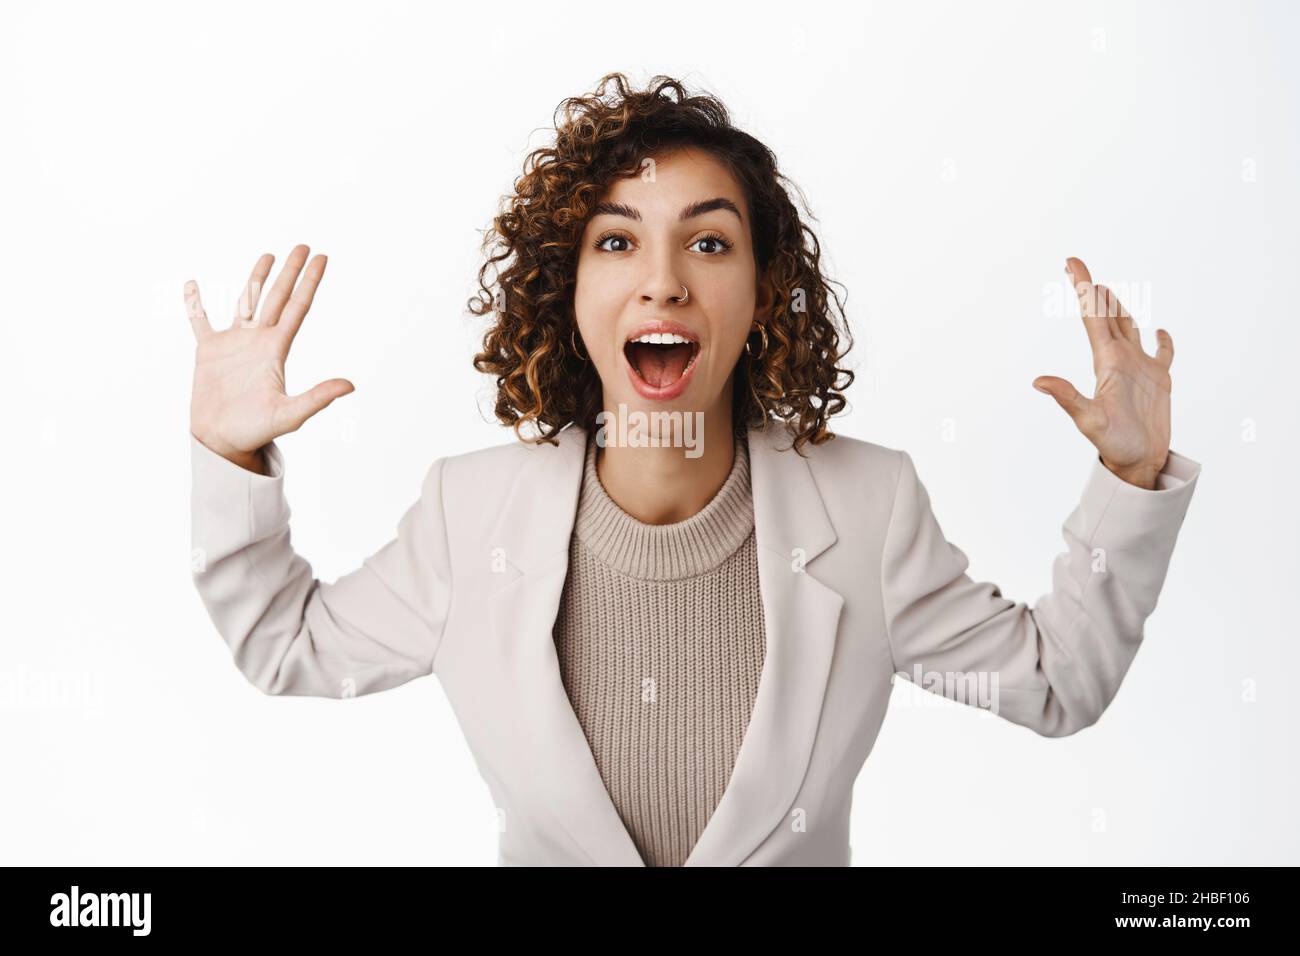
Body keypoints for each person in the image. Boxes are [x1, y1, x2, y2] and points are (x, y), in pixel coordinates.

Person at [186, 73, 1201, 867]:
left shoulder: (868, 508)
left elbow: (1059, 683)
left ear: (759, 293)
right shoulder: (470, 513)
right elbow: (288, 644)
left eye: (708, 242)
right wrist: (230, 452)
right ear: (567, 293)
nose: (663, 280)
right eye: (617, 241)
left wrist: (1132, 480)